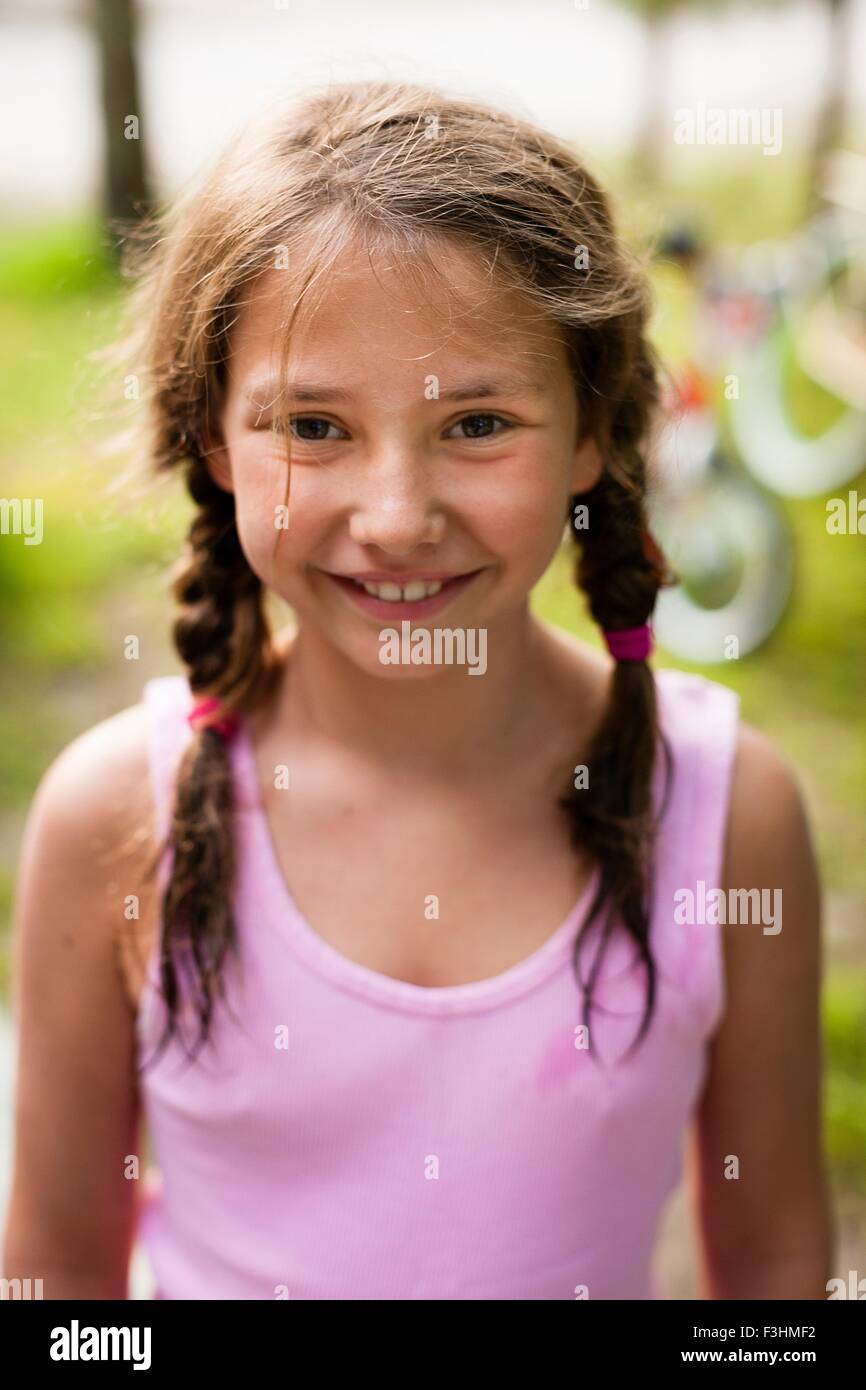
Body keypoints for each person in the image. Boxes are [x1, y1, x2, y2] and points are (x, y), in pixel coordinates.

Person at [3, 80, 833, 1300]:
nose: (397, 518)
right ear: (215, 440)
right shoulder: (111, 820)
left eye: (478, 423)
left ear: (593, 430)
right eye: (314, 427)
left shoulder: (726, 814)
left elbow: (773, 1278)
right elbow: (54, 1290)